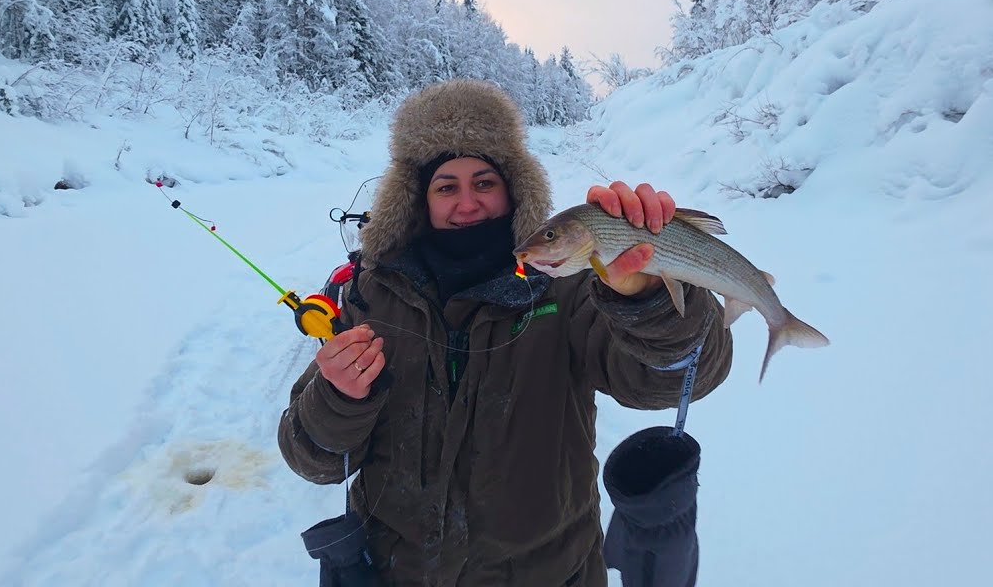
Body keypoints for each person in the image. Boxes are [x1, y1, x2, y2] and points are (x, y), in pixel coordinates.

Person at [278, 79, 733, 586]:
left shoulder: (569, 288)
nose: (468, 203)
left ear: (514, 190)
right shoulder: (371, 293)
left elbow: (669, 379)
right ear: (417, 200)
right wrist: (339, 397)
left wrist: (645, 300)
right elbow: (313, 460)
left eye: (485, 183)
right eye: (446, 186)